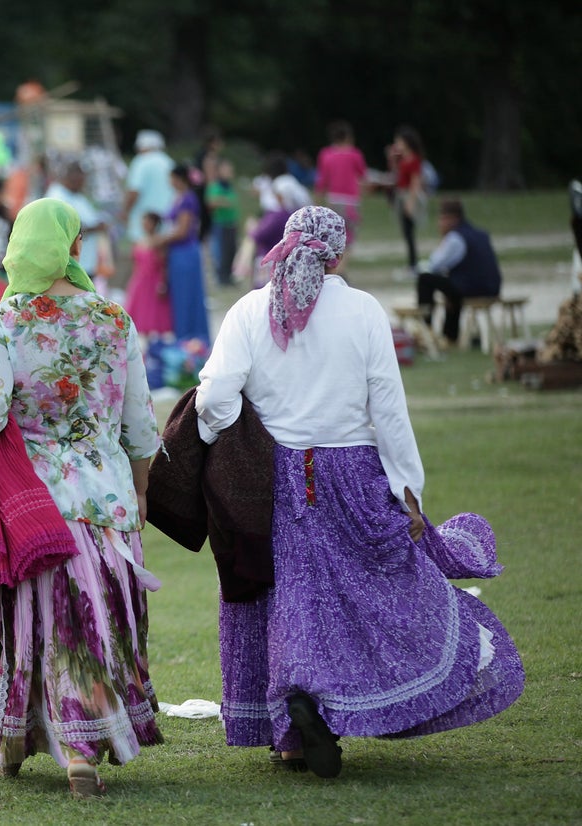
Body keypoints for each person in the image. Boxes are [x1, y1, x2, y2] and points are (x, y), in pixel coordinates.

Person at [187, 205, 523, 778]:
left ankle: (291, 729)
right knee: (359, 594)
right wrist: (407, 489)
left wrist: (218, 432)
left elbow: (216, 397)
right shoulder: (364, 311)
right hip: (352, 472)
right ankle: (325, 708)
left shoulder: (249, 310)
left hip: (276, 476)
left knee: (285, 594)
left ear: (288, 245)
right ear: (338, 253)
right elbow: (387, 407)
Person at [0, 197, 164, 796]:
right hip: (105, 503)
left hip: (28, 506)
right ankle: (83, 755)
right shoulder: (114, 320)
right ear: (76, 248)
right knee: (88, 630)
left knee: (27, 628)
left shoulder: (2, 322)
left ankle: (12, 744)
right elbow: (140, 426)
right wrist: (143, 489)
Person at [416, 199, 503, 347]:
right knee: (451, 289)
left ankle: (426, 327)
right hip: (491, 287)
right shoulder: (480, 233)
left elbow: (435, 264)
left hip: (472, 288)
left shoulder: (456, 238)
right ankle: (450, 335)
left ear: (452, 219)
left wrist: (443, 240)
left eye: (442, 219)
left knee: (425, 279)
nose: (439, 223)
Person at [150, 165, 210, 344]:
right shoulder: (177, 198)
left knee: (187, 295)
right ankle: (182, 336)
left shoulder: (188, 199)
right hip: (176, 253)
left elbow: (182, 230)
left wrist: (160, 240)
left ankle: (191, 337)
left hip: (185, 252)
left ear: (179, 178)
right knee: (177, 296)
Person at [45, 161, 108, 291]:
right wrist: (94, 228)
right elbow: (64, 229)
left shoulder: (77, 196)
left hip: (85, 263)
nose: (82, 183)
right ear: (71, 177)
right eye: (80, 179)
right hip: (68, 267)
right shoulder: (57, 196)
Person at [314, 120, 368, 249]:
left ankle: (335, 262)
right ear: (348, 137)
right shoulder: (355, 154)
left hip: (333, 199)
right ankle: (343, 264)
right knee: (349, 235)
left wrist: (317, 200)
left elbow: (322, 181)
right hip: (351, 201)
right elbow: (363, 176)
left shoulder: (326, 154)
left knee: (333, 233)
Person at [123, 212, 173, 337]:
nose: (145, 225)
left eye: (148, 222)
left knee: (154, 312)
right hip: (140, 280)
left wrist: (163, 283)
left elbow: (163, 265)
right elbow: (135, 263)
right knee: (139, 311)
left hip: (153, 280)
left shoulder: (159, 241)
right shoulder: (139, 241)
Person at [121, 130, 175, 242]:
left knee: (144, 254)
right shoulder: (169, 162)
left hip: (144, 221)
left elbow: (134, 191)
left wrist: (125, 211)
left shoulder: (141, 161)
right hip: (167, 220)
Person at [387, 126, 428, 273]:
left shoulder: (414, 159)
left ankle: (413, 264)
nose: (397, 144)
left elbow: (415, 182)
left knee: (409, 231)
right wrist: (392, 159)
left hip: (408, 196)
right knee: (406, 231)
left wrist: (410, 203)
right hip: (401, 195)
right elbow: (397, 176)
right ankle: (412, 263)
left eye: (399, 142)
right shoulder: (403, 159)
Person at [205, 159, 240, 287]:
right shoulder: (215, 186)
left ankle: (228, 277)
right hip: (220, 224)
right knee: (221, 252)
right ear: (219, 171)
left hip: (231, 223)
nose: (229, 172)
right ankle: (221, 278)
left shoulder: (229, 186)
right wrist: (224, 201)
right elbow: (211, 203)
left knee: (232, 250)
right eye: (226, 169)